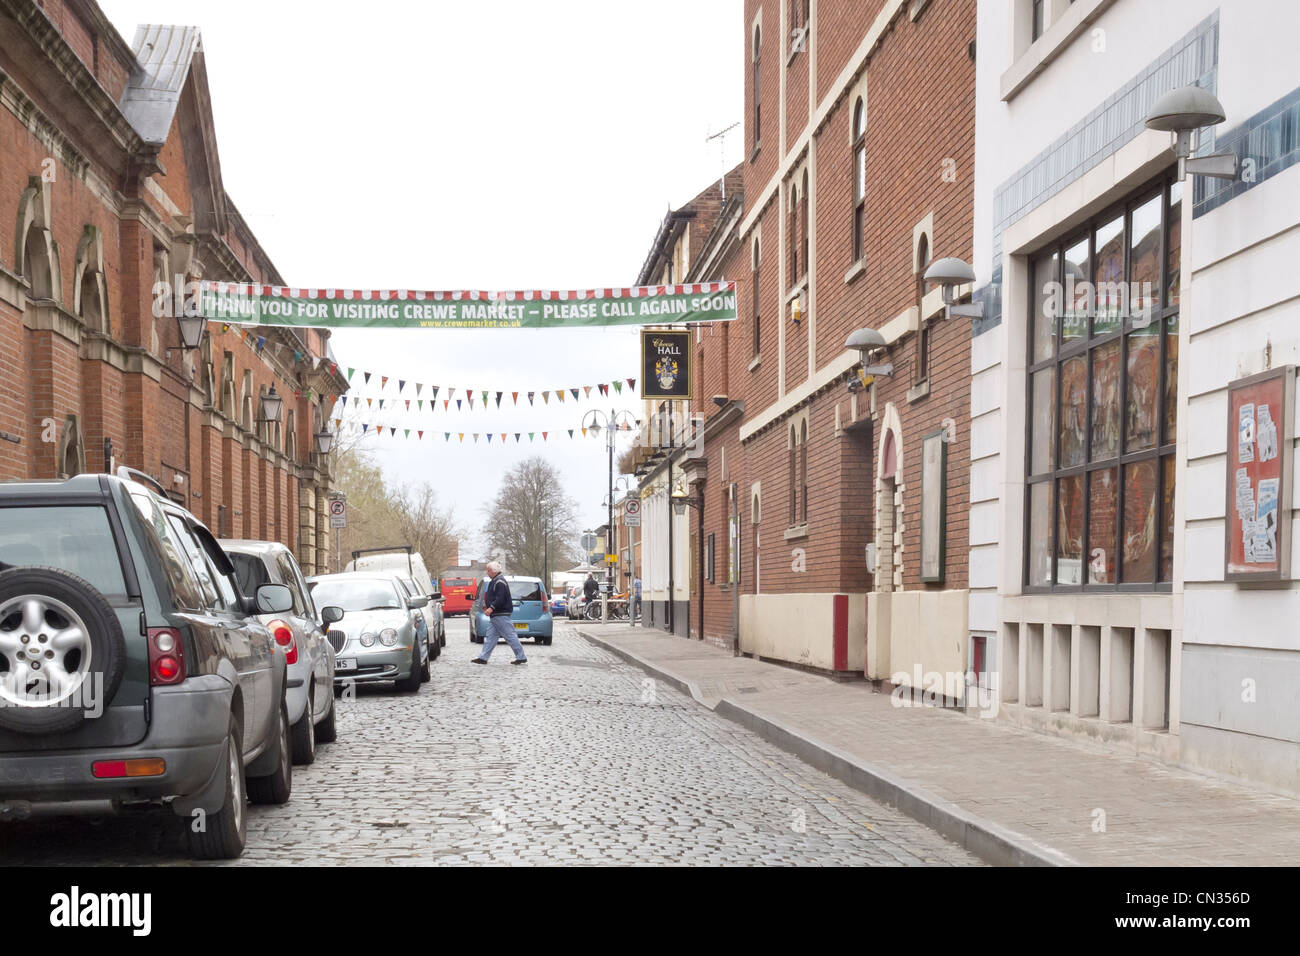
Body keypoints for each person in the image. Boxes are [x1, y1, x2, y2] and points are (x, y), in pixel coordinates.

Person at [472, 561, 527, 665]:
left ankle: (521, 656)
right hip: (497, 614)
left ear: (493, 571)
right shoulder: (497, 580)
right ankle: (483, 657)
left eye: (488, 570)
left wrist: (491, 608)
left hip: (499, 614)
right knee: (490, 637)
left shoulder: (499, 582)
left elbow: (500, 598)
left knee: (510, 635)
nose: (487, 572)